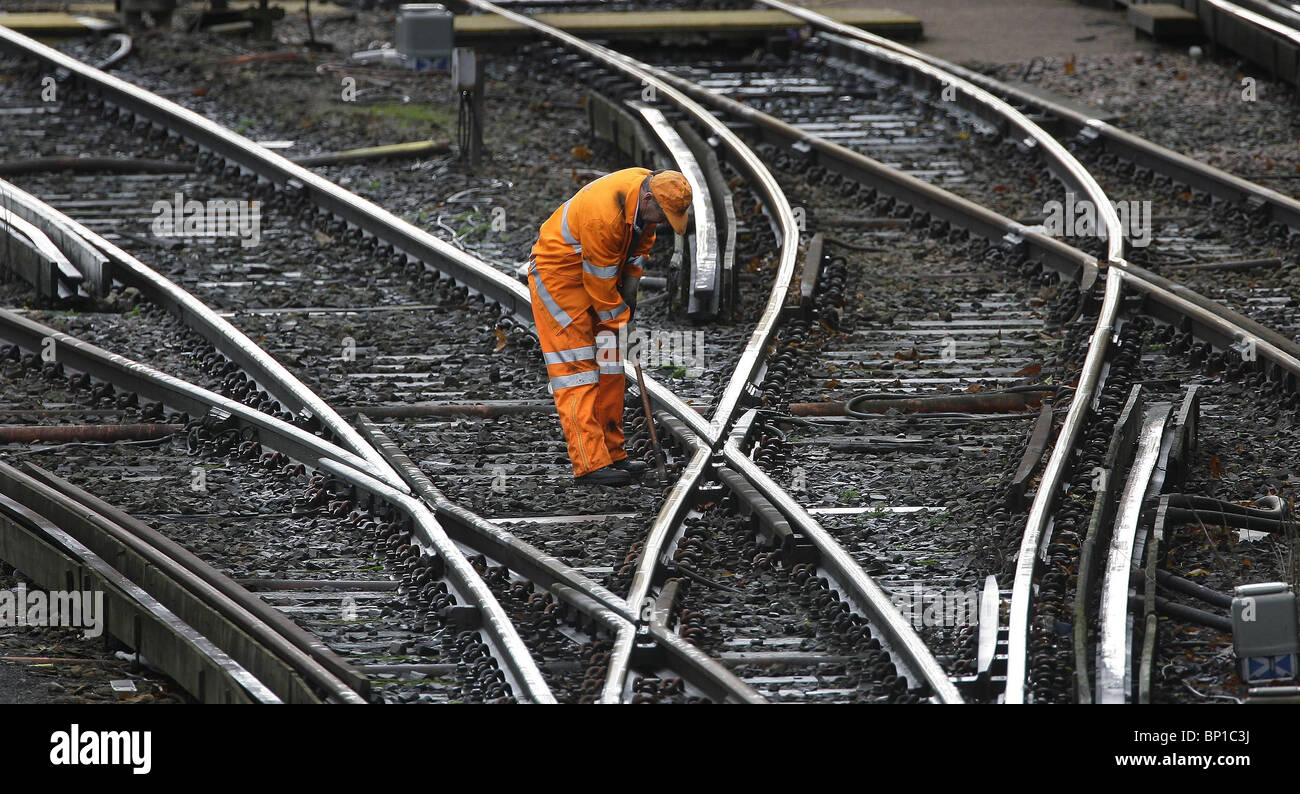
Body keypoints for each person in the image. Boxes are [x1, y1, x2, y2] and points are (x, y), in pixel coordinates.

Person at [526, 167, 692, 486]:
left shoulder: (645, 196)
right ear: (647, 199)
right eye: (661, 214)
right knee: (578, 372)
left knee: (610, 367)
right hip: (560, 279)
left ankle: (613, 453)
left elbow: (637, 250)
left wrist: (629, 288)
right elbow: (599, 283)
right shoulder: (604, 215)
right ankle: (590, 463)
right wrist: (620, 320)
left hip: (600, 278)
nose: (661, 223)